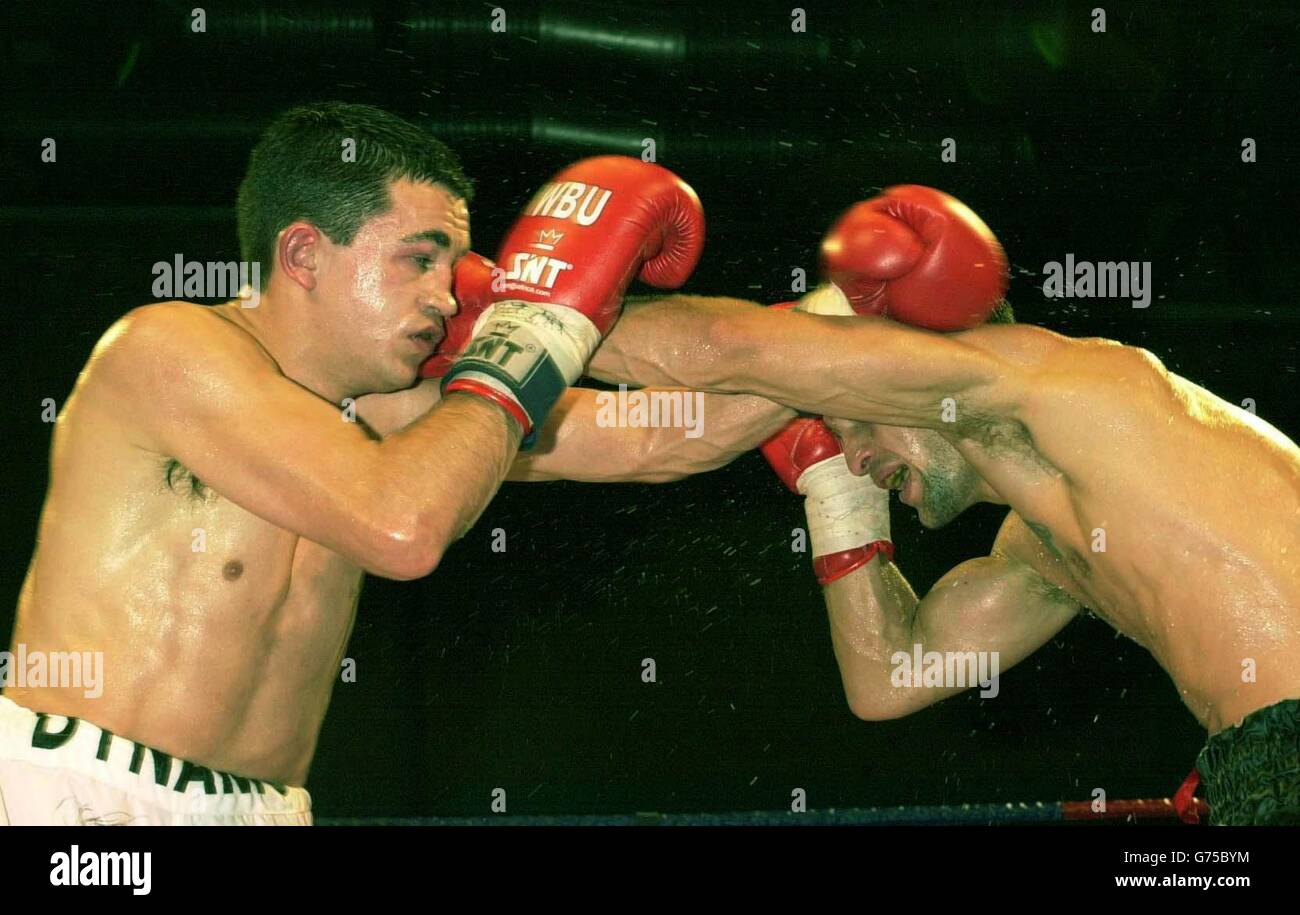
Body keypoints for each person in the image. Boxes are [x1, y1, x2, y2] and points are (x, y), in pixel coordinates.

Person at [0, 102, 719, 825]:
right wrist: (532, 337)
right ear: (305, 254)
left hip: (268, 809)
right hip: (79, 793)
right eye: (418, 258)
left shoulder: (385, 411)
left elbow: (649, 435)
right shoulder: (165, 348)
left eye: (450, 266)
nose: (445, 296)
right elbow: (401, 526)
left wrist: (815, 400)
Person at [585, 185, 1300, 825]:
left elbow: (729, 345)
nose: (857, 456)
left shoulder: (1077, 391)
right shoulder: (1049, 544)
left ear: (911, 364)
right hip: (1254, 773)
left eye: (858, 417)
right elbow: (889, 677)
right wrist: (835, 495)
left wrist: (537, 312)